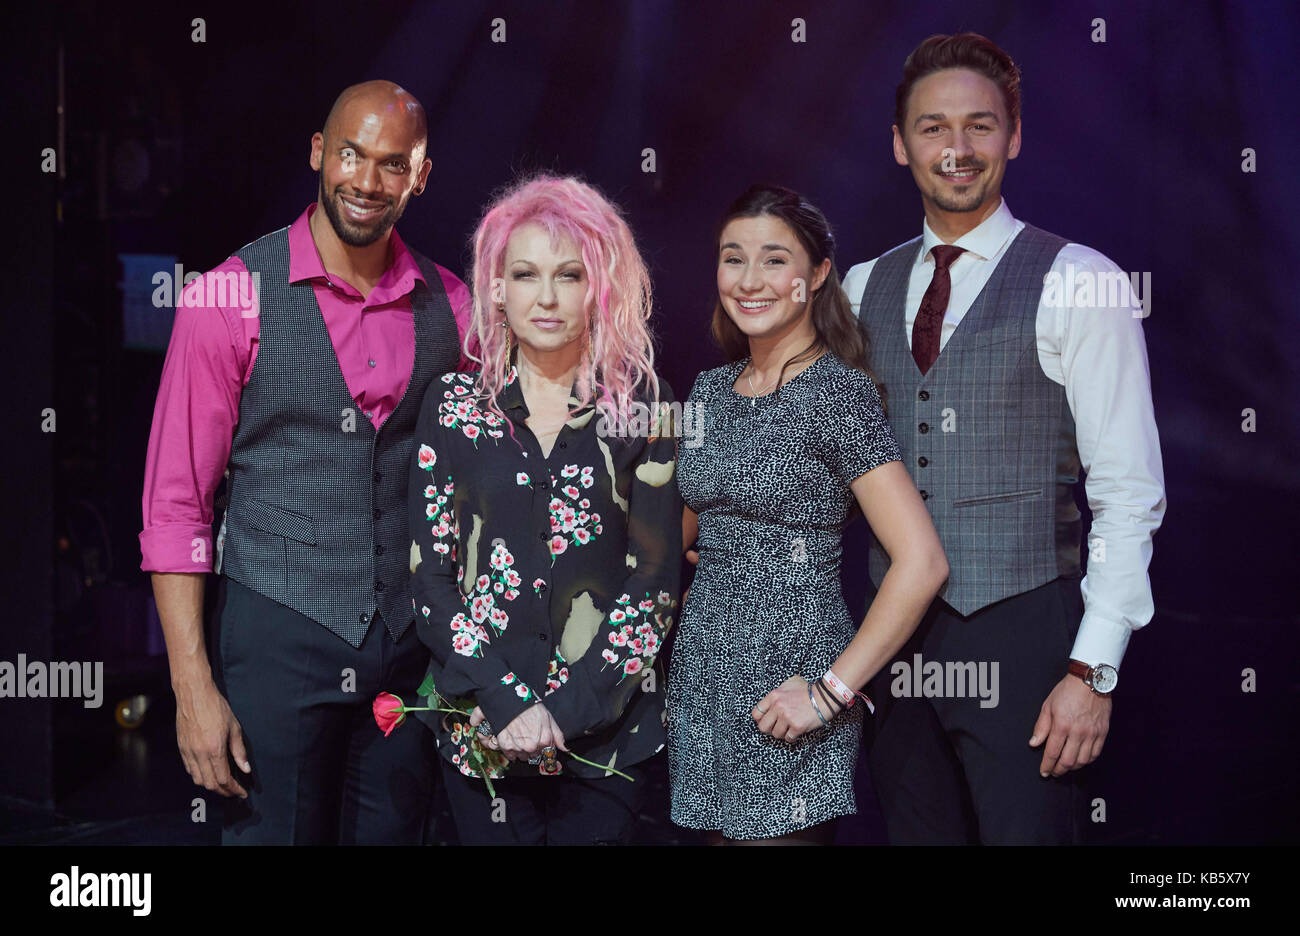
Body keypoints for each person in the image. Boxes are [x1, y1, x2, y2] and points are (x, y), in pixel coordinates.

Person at [843, 33, 1166, 844]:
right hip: (894, 639)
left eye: (980, 126)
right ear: (898, 143)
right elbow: (821, 458)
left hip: (1026, 633)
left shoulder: (1081, 281)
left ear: (1014, 137)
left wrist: (1091, 670)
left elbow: (1127, 491)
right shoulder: (859, 286)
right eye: (933, 127)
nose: (957, 149)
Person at [140, 80, 472, 844]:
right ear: (320, 153)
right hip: (276, 633)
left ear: (419, 178)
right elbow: (174, 507)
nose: (365, 180)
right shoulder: (226, 297)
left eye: (393, 164)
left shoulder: (454, 305)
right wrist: (191, 687)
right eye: (351, 154)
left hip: (408, 650)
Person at [668, 184, 950, 844]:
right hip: (701, 688)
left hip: (788, 696)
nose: (749, 279)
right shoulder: (710, 390)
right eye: (733, 258)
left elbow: (922, 562)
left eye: (773, 259)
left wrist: (829, 693)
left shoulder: (837, 393)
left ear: (816, 274)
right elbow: (664, 542)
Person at [407, 174, 682, 845]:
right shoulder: (451, 405)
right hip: (483, 731)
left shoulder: (649, 405)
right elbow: (431, 579)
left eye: (570, 275)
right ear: (497, 289)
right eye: (526, 275)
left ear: (599, 287)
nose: (549, 297)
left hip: (609, 740)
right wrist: (506, 700)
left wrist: (565, 709)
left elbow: (656, 580)